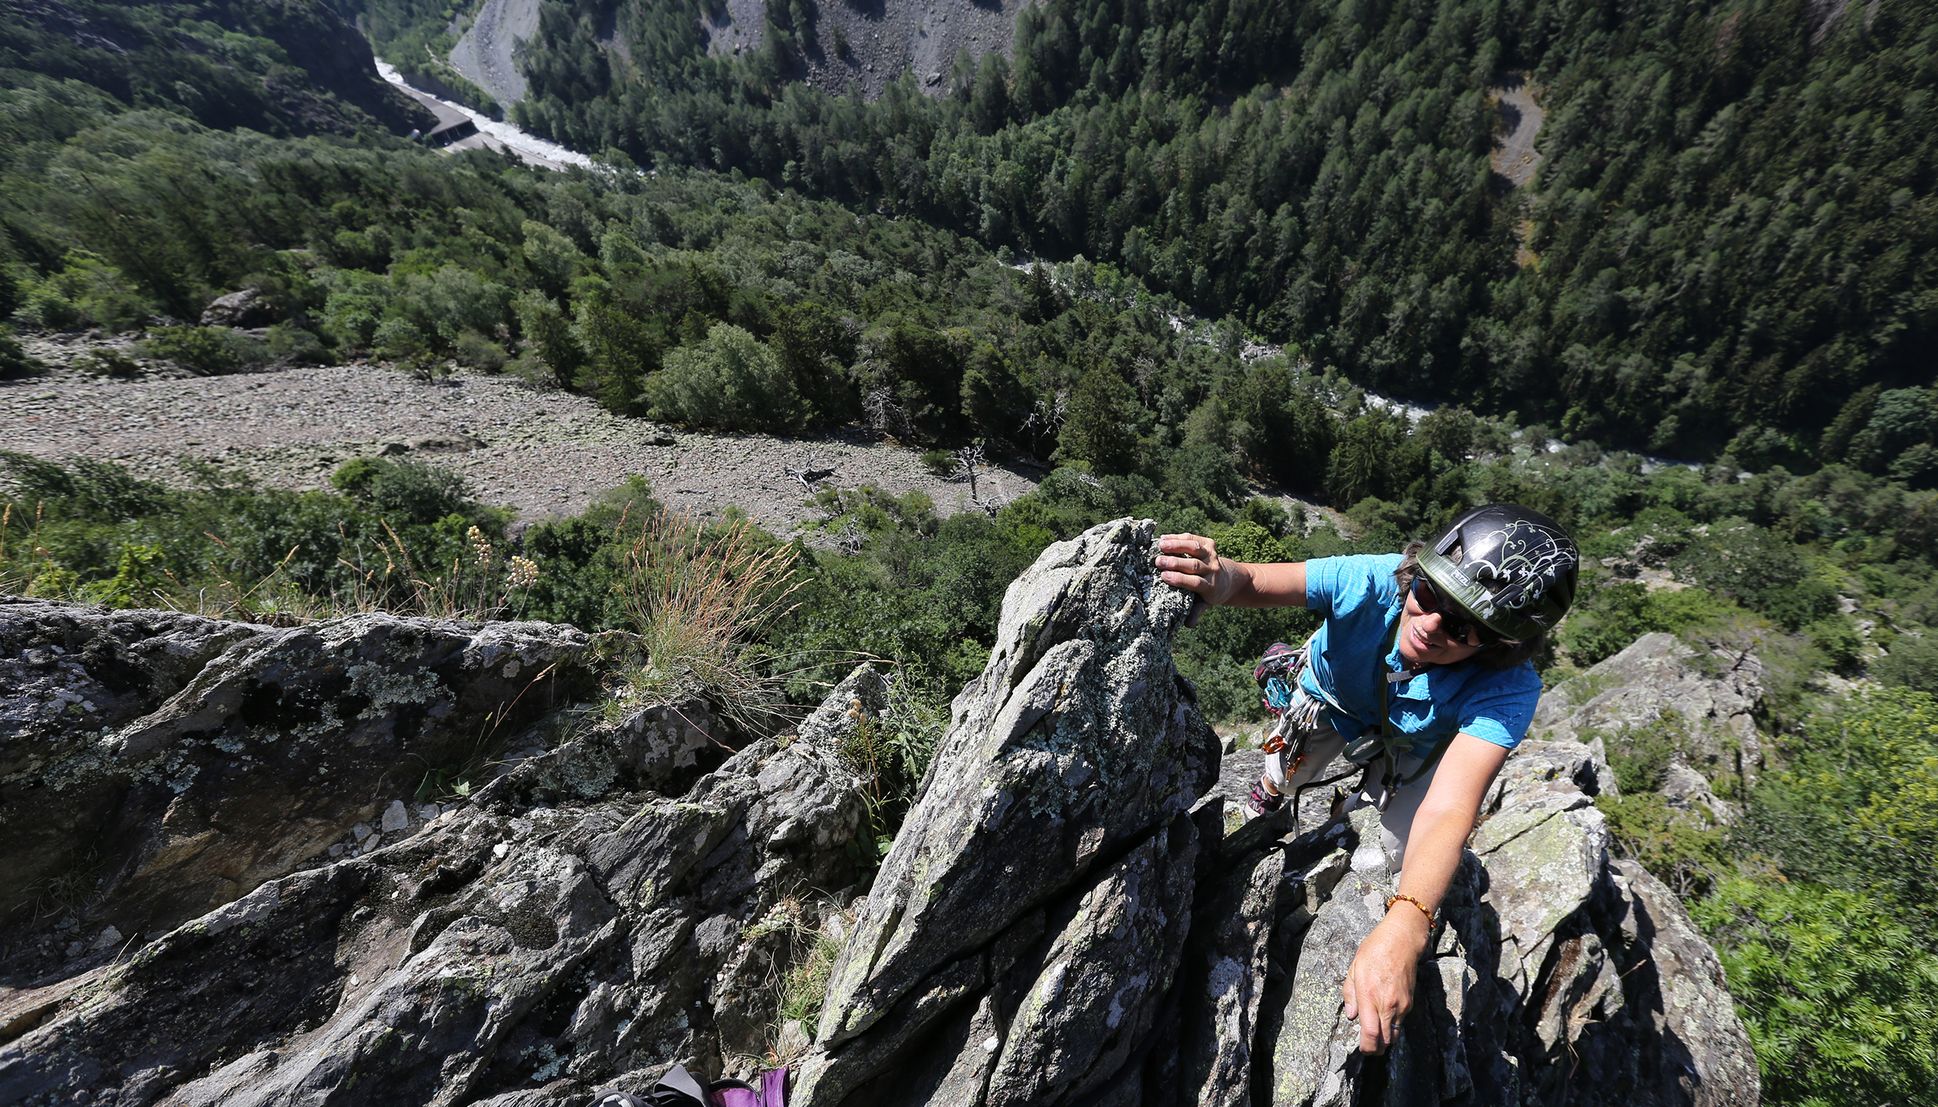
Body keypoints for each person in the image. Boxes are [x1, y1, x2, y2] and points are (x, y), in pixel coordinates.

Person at [1154, 504, 1578, 1056]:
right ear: (1415, 573)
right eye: (1428, 595)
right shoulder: (1372, 581)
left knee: (1391, 858)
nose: (1429, 625)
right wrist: (1220, 575)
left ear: (1502, 645)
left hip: (1411, 750)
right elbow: (1252, 580)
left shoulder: (1509, 689)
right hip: (1327, 704)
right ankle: (1274, 793)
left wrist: (1408, 923)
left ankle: (1356, 851)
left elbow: (1451, 808)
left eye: (1461, 626)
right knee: (1285, 771)